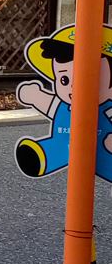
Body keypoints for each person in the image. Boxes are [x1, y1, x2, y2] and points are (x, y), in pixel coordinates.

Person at [15, 25, 112, 180]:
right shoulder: (63, 106)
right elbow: (50, 104)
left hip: (104, 151)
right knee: (59, 148)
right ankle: (39, 158)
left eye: (90, 79)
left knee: (103, 157)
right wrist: (35, 96)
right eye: (64, 80)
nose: (74, 86)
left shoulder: (108, 110)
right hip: (63, 144)